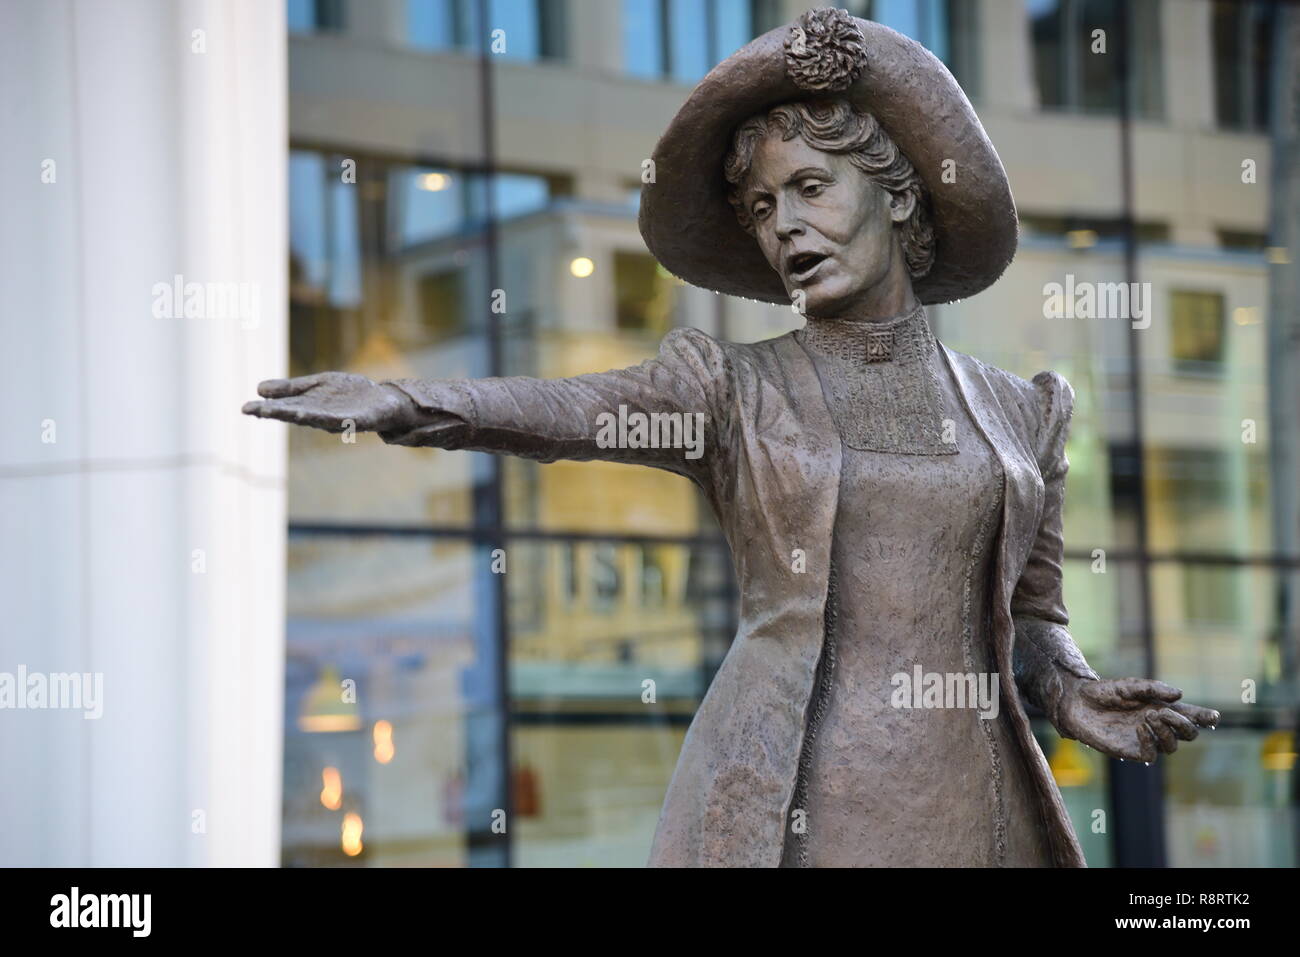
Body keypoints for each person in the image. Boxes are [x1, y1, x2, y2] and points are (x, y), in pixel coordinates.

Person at [244, 8, 1218, 867]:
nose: (783, 225)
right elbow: (560, 411)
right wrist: (405, 402)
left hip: (973, 801)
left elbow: (1033, 617)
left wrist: (1072, 693)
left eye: (809, 187)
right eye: (760, 208)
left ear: (898, 193)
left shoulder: (1023, 412)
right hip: (798, 794)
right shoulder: (732, 392)